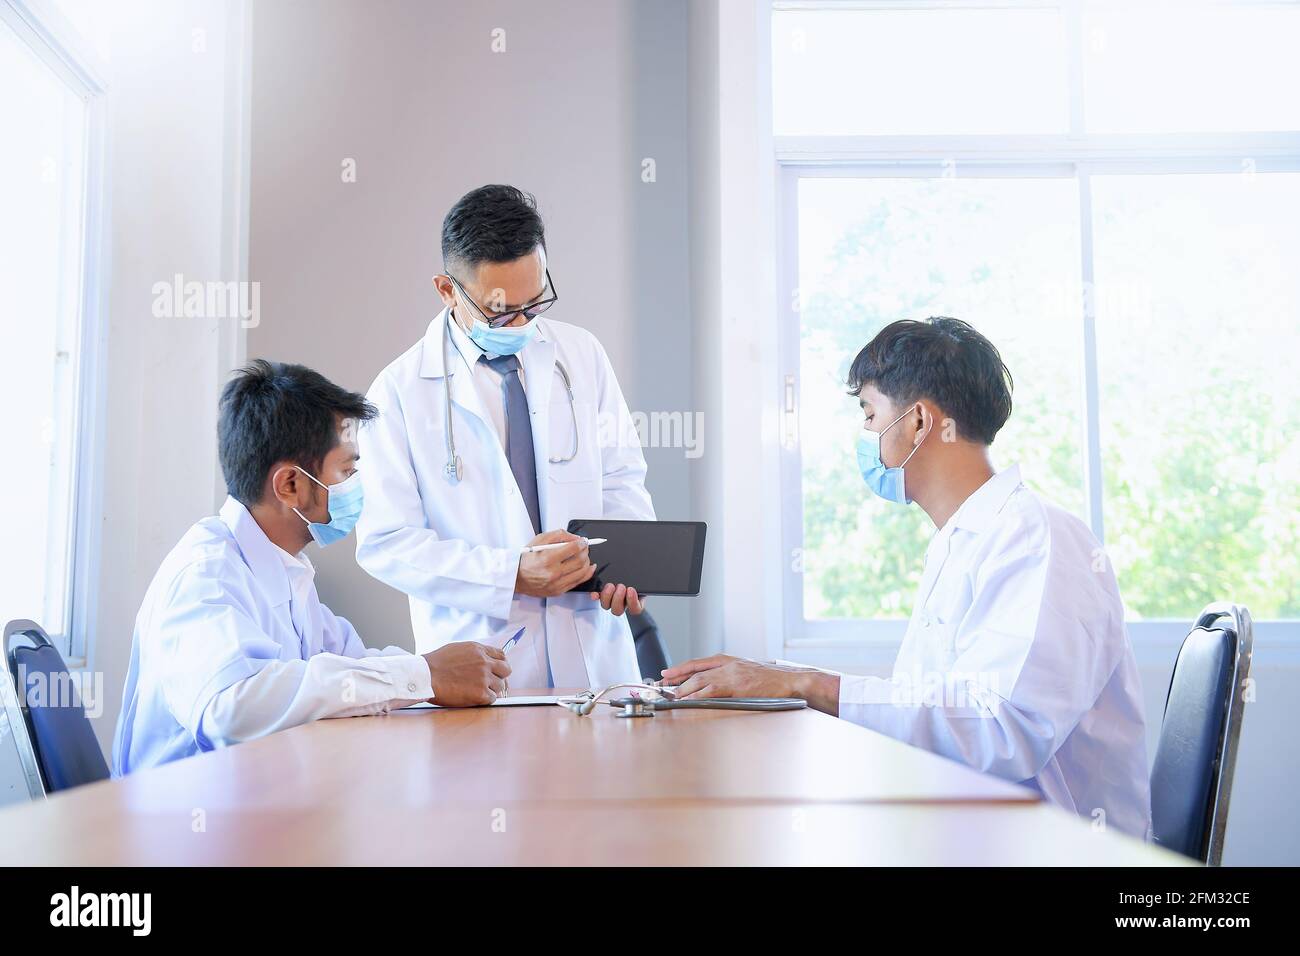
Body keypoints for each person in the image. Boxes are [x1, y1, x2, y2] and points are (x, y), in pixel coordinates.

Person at [663, 318, 1151, 838]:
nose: (865, 436)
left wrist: (805, 685)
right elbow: (936, 709)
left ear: (919, 423)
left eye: (870, 413)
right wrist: (778, 678)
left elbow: (1003, 731)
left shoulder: (1035, 538)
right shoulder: (965, 540)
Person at [112, 361, 509, 775]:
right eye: (347, 470)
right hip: (189, 824)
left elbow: (349, 662)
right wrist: (423, 675)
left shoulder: (284, 568)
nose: (358, 486)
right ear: (289, 485)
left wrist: (435, 672)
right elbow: (229, 710)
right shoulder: (206, 575)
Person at [356, 185, 655, 688]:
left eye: (534, 304)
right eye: (499, 312)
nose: (520, 323)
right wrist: (509, 574)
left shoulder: (581, 355)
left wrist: (627, 564)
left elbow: (623, 479)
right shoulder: (399, 392)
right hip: (485, 667)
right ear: (447, 290)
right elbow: (386, 543)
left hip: (595, 658)